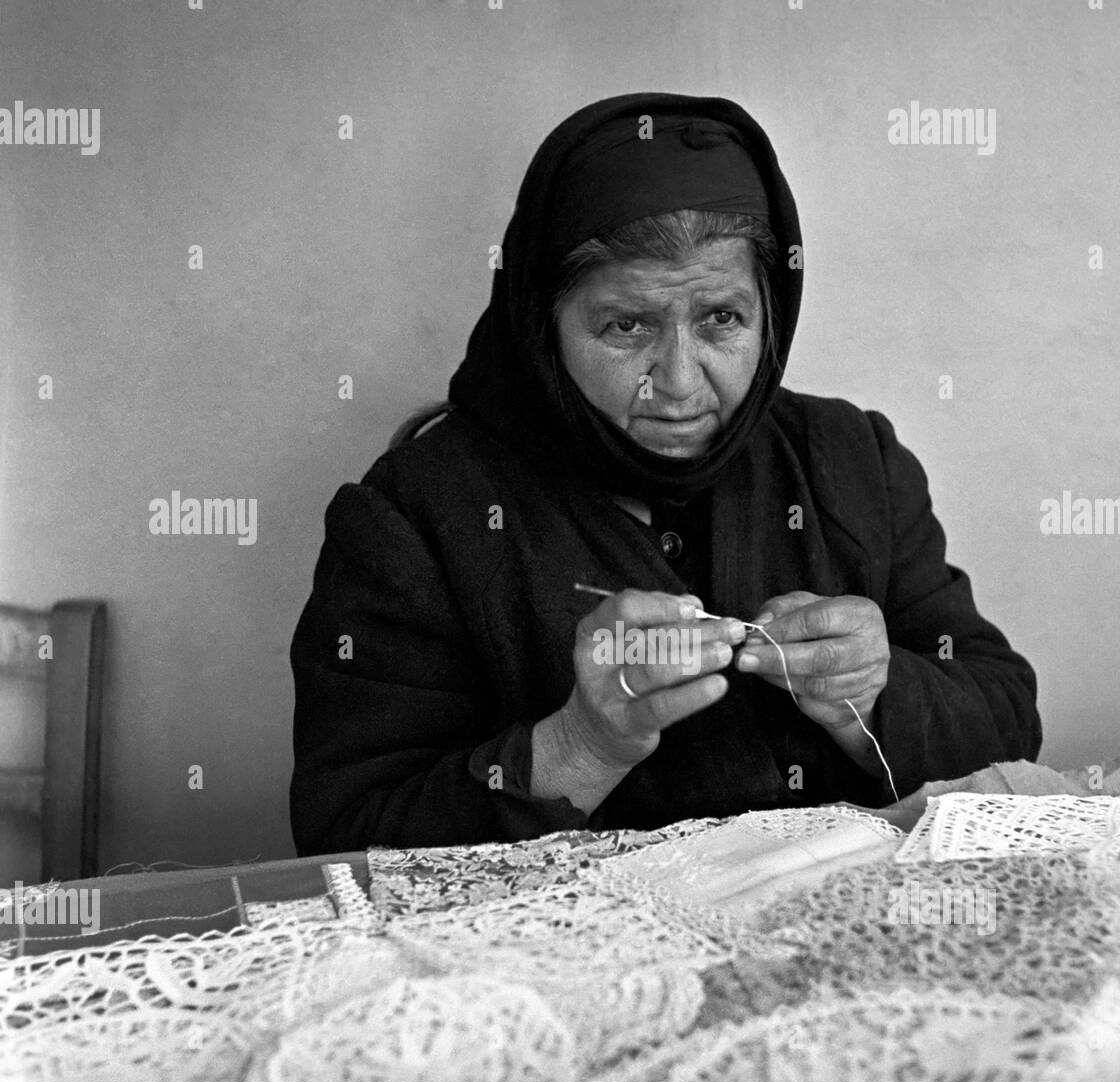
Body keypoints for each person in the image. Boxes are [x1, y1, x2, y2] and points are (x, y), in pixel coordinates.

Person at [290, 92, 1041, 853]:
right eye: (626, 325)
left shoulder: (850, 461)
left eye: (721, 318)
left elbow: (1008, 721)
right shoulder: (414, 514)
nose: (678, 383)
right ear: (541, 325)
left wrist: (871, 698)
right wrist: (582, 745)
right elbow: (346, 836)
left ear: (769, 311)